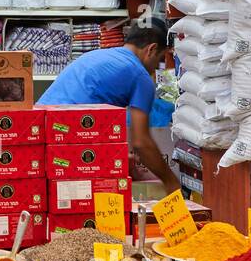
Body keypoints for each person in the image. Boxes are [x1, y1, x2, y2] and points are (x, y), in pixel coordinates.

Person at [37, 19, 180, 194]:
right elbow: (141, 142)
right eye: (159, 60)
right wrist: (171, 182)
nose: (156, 68)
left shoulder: (97, 55)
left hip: (40, 129)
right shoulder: (140, 76)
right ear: (151, 49)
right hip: (64, 139)